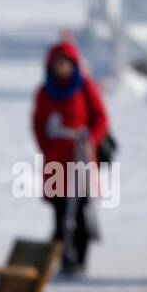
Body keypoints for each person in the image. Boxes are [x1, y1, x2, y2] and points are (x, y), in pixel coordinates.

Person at [32, 39, 109, 275]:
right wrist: (48, 147)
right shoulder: (45, 92)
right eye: (58, 63)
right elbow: (38, 124)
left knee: (81, 211)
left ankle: (81, 259)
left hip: (81, 159)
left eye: (67, 63)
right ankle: (63, 258)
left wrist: (91, 140)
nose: (62, 68)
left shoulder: (85, 86)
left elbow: (101, 118)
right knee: (60, 213)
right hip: (56, 161)